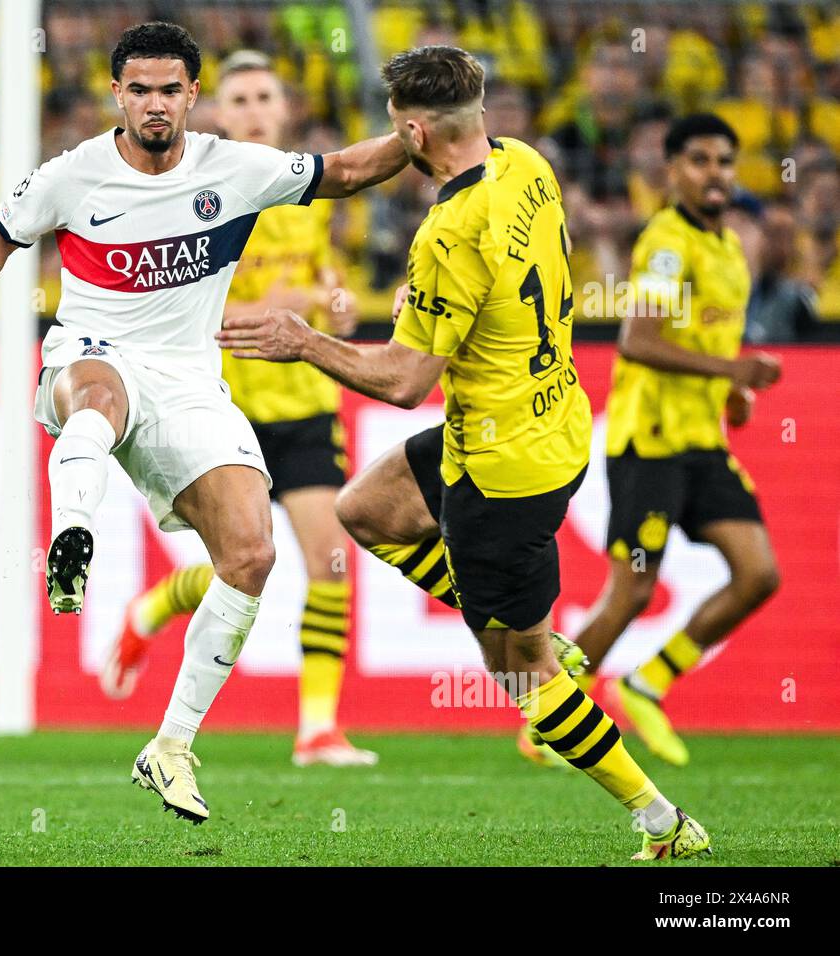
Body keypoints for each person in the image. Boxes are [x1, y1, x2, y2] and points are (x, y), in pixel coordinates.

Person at [216, 45, 711, 860]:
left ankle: (663, 822)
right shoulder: (528, 163)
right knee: (364, 510)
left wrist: (303, 342)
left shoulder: (446, 232)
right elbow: (499, 283)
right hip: (548, 420)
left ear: (413, 130)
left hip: (502, 467)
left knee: (524, 676)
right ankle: (516, 627)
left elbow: (407, 381)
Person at [0, 22, 410, 823]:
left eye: (169, 90)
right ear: (117, 95)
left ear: (191, 95)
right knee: (99, 400)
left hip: (189, 380)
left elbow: (347, 170)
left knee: (252, 556)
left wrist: (421, 134)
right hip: (92, 351)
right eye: (138, 89)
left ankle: (171, 745)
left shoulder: (236, 169)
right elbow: (1, 232)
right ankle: (70, 537)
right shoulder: (74, 174)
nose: (154, 104)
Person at [97, 50, 376, 768]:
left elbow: (329, 296)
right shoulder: (195, 192)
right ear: (218, 113)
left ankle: (317, 729)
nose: (253, 110)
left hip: (305, 404)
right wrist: (274, 306)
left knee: (332, 561)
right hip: (224, 408)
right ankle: (150, 611)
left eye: (265, 98)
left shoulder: (307, 199)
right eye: (241, 99)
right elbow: (182, 305)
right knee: (242, 563)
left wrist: (338, 307)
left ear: (285, 112)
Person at [567, 114, 782, 768]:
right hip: (650, 442)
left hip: (701, 440)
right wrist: (734, 369)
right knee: (631, 592)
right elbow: (639, 340)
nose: (714, 173)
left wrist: (732, 391)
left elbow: (704, 340)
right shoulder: (665, 240)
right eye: (699, 161)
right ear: (672, 172)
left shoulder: (728, 247)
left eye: (724, 161)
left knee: (758, 575)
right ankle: (554, 709)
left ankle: (647, 683)